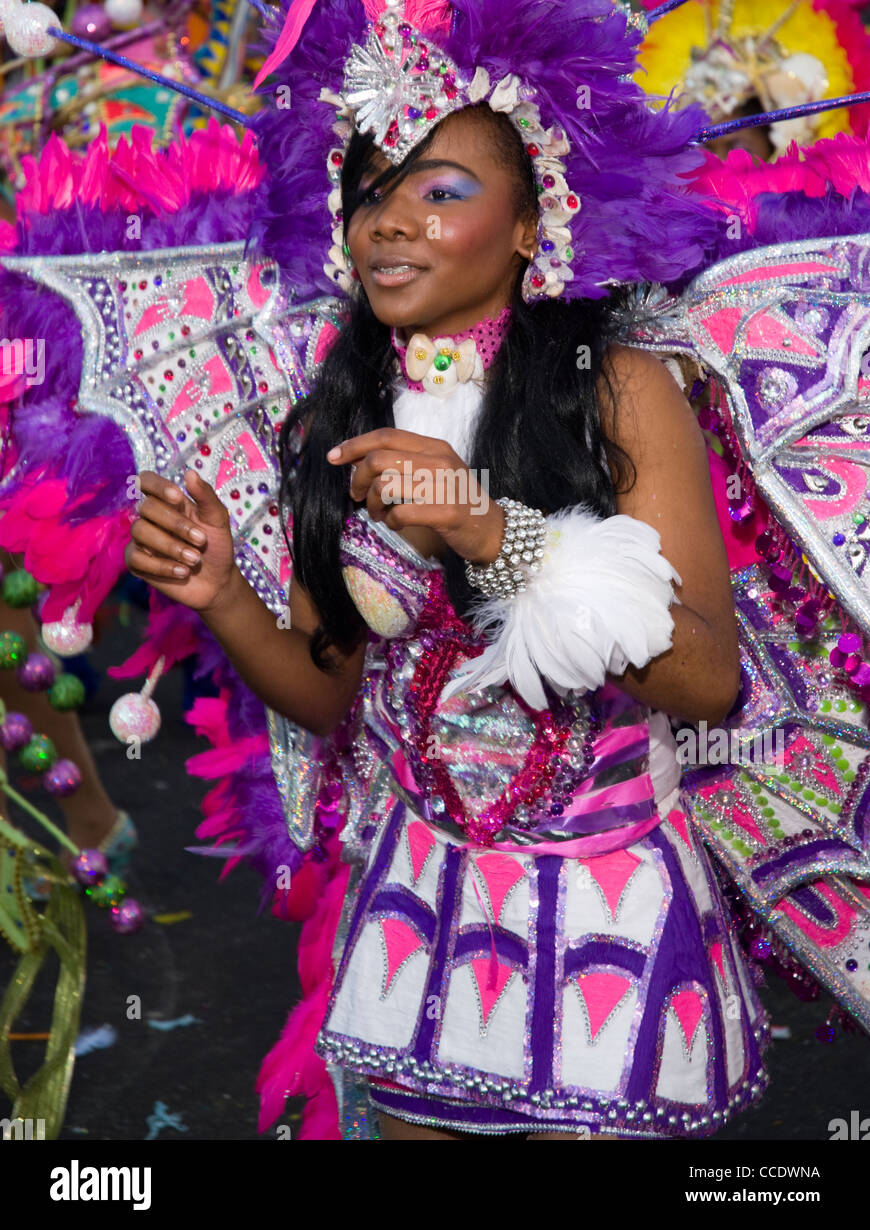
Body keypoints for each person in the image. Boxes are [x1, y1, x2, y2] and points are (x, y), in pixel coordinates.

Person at [123, 97, 769, 1140]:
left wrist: (487, 531)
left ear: (532, 225)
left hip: (607, 902)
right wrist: (224, 594)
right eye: (370, 193)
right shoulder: (337, 416)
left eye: (440, 191)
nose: (388, 220)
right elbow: (325, 695)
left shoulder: (615, 393)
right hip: (421, 906)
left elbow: (706, 683)